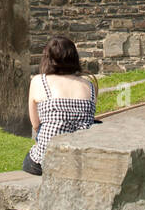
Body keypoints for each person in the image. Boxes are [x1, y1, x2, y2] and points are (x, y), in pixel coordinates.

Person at [22, 35, 97, 176]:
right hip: (81, 158)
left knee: (28, 160)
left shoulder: (39, 81)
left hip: (48, 158)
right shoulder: (89, 85)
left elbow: (36, 124)